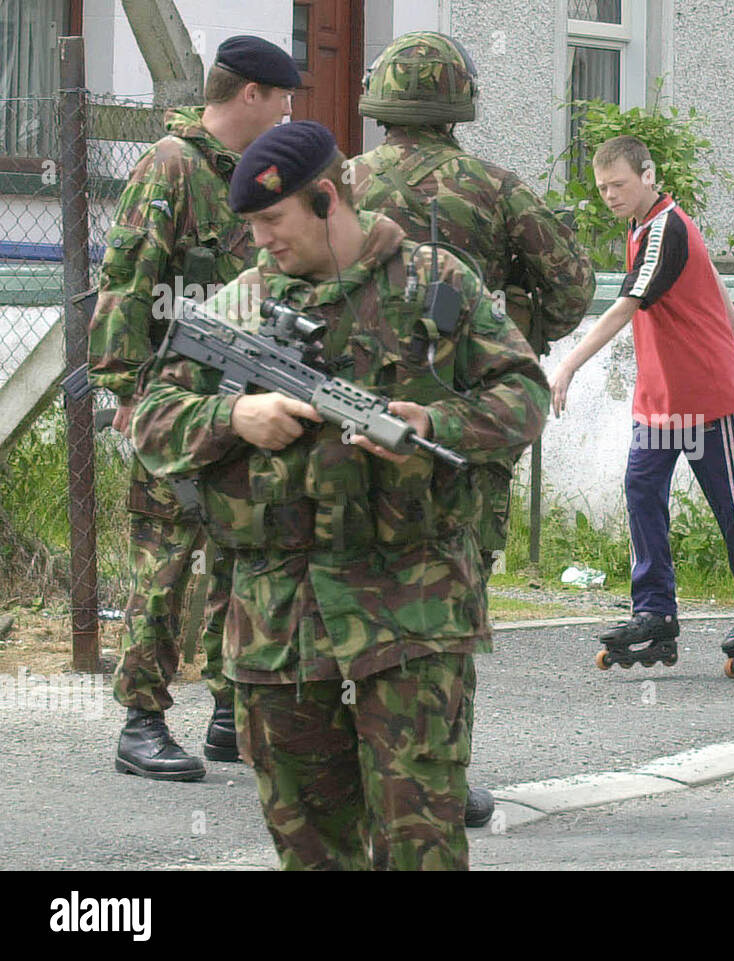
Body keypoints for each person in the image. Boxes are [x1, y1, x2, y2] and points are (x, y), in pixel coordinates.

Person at [130, 121, 549, 869]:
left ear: (326, 198)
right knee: (310, 849)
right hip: (279, 618)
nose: (260, 241)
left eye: (272, 220)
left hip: (412, 607)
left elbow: (523, 394)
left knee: (421, 844)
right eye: (251, 225)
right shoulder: (240, 304)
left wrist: (433, 418)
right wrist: (234, 415)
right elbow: (151, 422)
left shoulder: (435, 283)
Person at [348, 30, 595, 826]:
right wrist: (520, 326)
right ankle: (435, 783)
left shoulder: (340, 182)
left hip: (350, 420)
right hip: (464, 428)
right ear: (458, 101)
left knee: (343, 582)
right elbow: (570, 286)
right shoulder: (495, 188)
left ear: (381, 95)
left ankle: (346, 770)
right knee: (451, 602)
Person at [87, 35, 299, 781]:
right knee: (165, 560)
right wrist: (127, 391)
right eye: (282, 99)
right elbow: (126, 283)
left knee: (235, 558)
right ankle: (141, 721)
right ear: (250, 96)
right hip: (172, 401)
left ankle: (224, 712)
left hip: (238, 399)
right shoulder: (170, 168)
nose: (287, 112)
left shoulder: (254, 178)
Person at [549, 135, 734, 678]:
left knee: (732, 507)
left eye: (620, 185)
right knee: (642, 493)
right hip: (660, 403)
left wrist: (568, 365)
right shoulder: (644, 225)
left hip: (706, 399)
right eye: (603, 187)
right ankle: (654, 613)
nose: (609, 195)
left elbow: (625, 306)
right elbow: (711, 275)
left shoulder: (665, 227)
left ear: (648, 176)